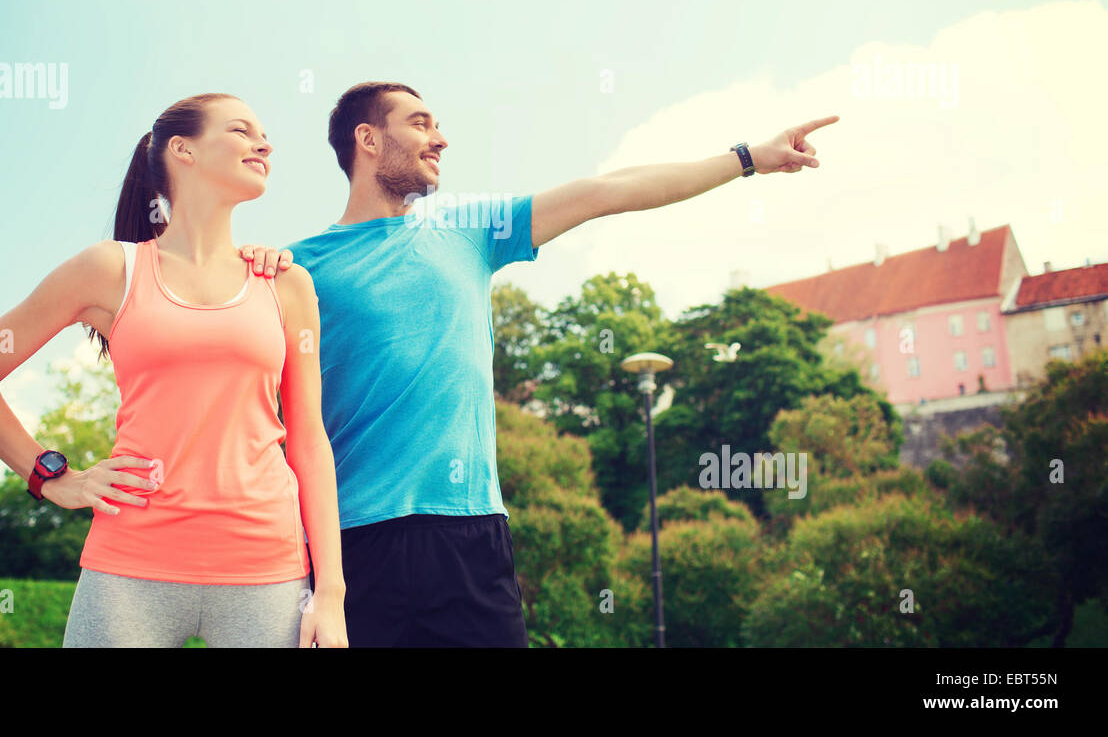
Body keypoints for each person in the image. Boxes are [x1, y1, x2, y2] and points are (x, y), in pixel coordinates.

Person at [280, 80, 837, 646]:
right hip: (351, 547)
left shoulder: (467, 230)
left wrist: (747, 159)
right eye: (420, 123)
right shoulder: (296, 268)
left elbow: (605, 192)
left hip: (469, 534)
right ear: (367, 138)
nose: (441, 139)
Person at [0, 92, 347, 648]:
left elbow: (309, 441)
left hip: (267, 570)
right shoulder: (110, 269)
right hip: (129, 568)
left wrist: (331, 593)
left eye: (264, 133)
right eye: (240, 130)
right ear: (183, 149)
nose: (264, 143)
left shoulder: (285, 283)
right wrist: (55, 478)